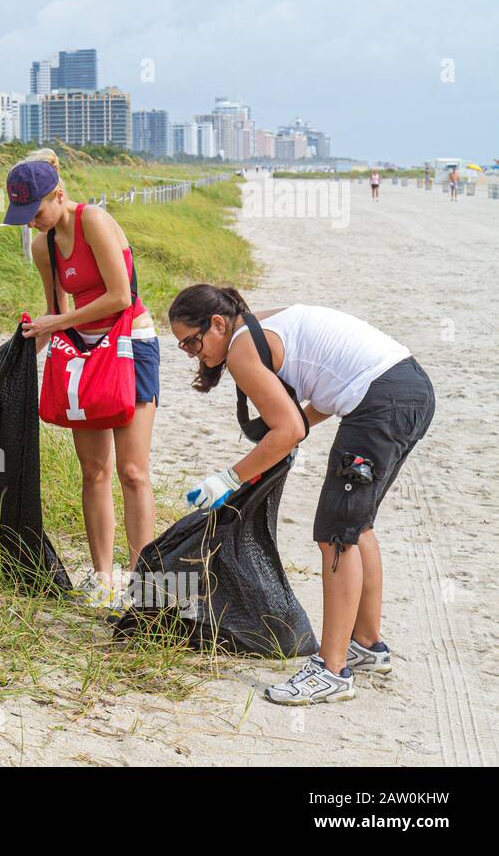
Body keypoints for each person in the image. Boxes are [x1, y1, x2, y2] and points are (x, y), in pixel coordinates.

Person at [168, 285, 435, 705]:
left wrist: (228, 478)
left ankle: (331, 670)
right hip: (407, 388)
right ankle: (366, 644)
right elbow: (319, 401)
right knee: (355, 525)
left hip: (381, 403)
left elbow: (288, 428)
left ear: (217, 324)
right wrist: (278, 445)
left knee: (335, 534)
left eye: (190, 341)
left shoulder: (241, 350)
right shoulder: (262, 325)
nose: (188, 352)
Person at [3, 149, 160, 606]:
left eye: (35, 211)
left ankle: (141, 578)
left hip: (131, 343)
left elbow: (119, 296)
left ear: (59, 195)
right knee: (93, 470)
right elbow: (57, 314)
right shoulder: (42, 245)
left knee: (132, 471)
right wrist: (17, 353)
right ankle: (102, 576)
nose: (31, 221)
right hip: (85, 353)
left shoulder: (94, 220)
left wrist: (53, 325)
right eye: (23, 214)